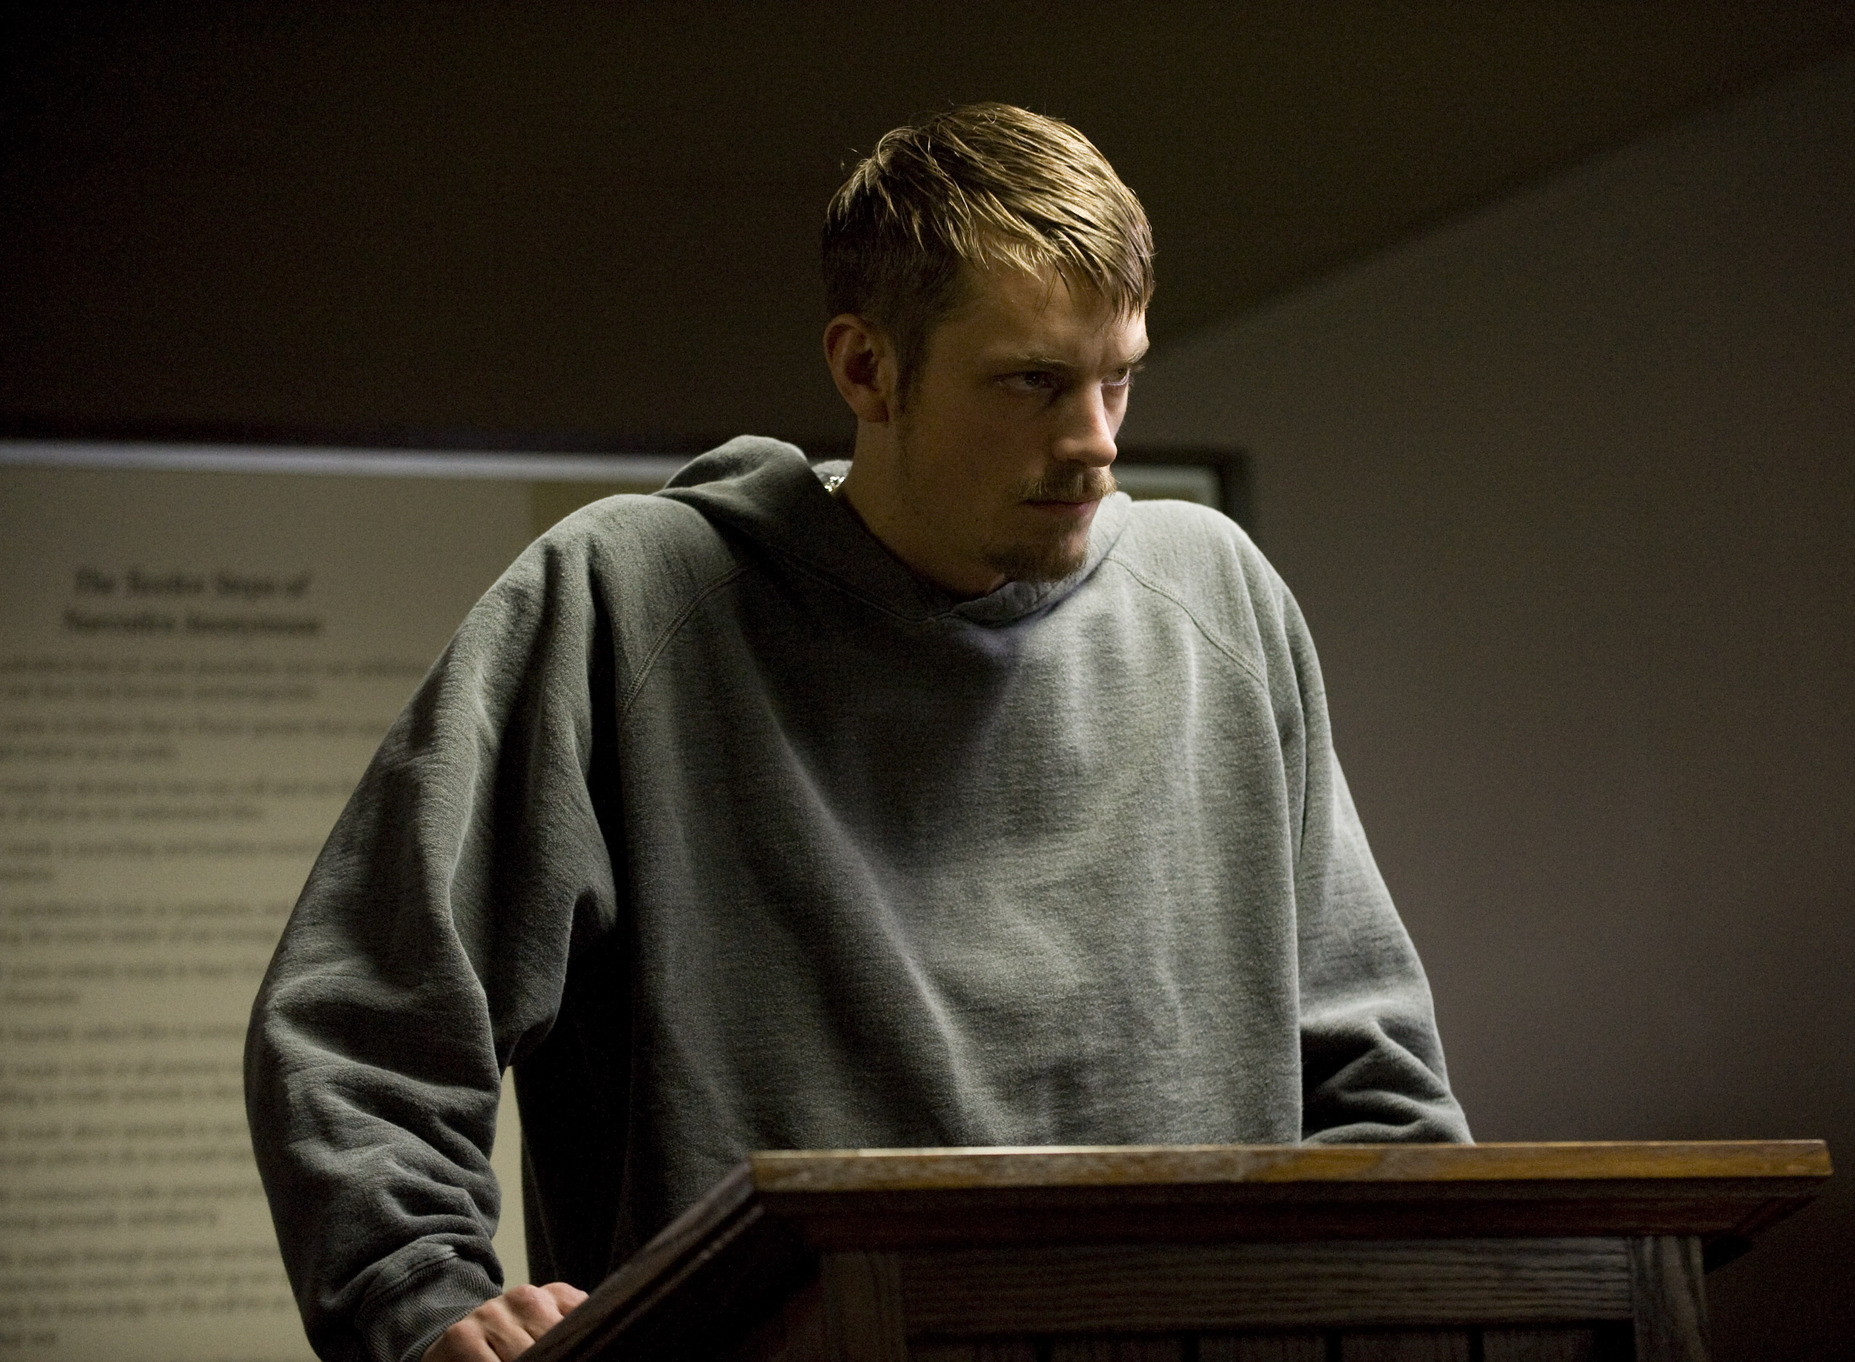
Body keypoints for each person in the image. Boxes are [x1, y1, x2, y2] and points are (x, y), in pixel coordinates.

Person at [245, 102, 1470, 1362]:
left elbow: (1373, 1081)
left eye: (1118, 377)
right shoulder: (626, 601)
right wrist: (422, 1299)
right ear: (866, 368)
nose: (1094, 441)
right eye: (1032, 382)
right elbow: (363, 1021)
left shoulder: (1217, 598)